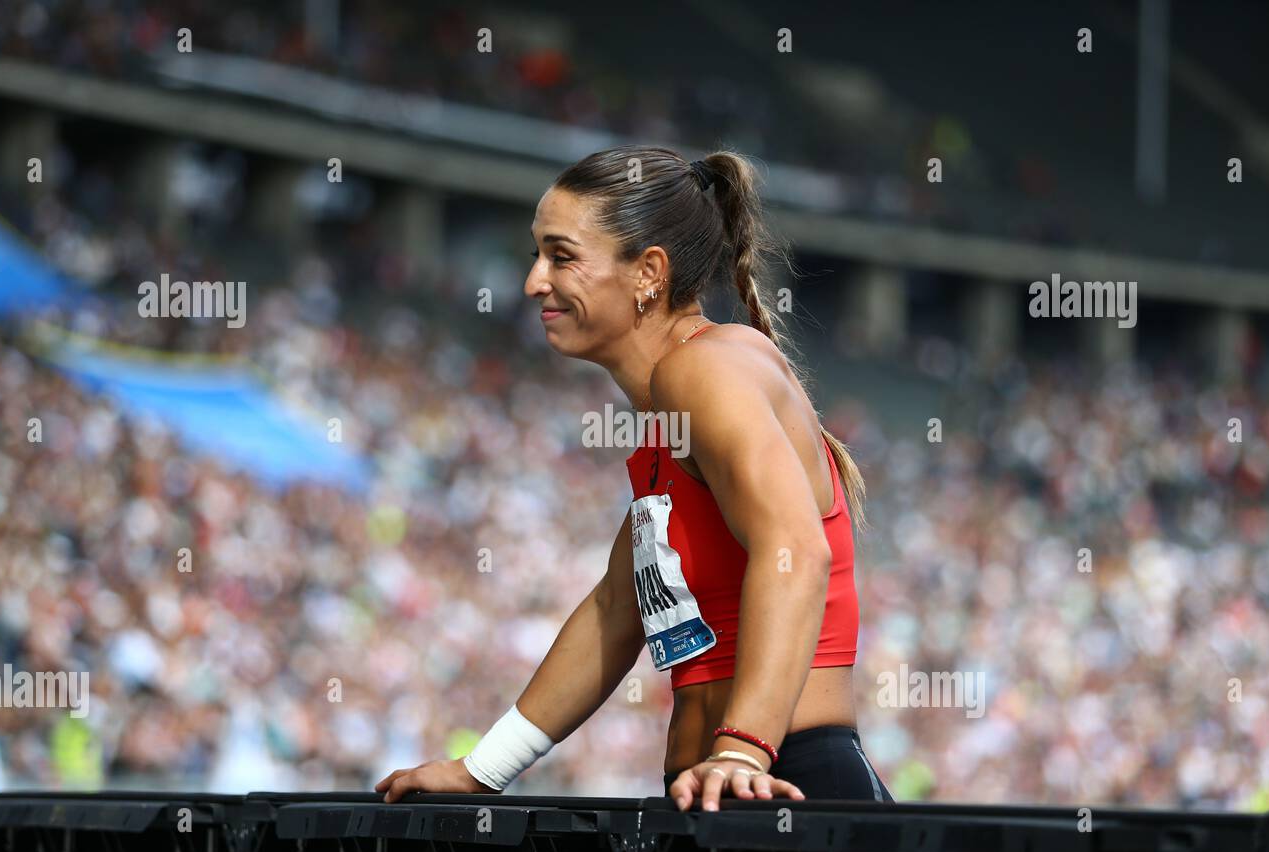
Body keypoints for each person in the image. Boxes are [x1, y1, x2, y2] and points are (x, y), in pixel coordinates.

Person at [376, 146, 892, 811]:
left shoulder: (701, 371)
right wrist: (482, 768)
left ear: (649, 272)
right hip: (729, 786)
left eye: (561, 257)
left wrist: (741, 749)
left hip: (777, 781)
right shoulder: (669, 417)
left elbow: (796, 552)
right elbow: (616, 610)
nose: (535, 281)